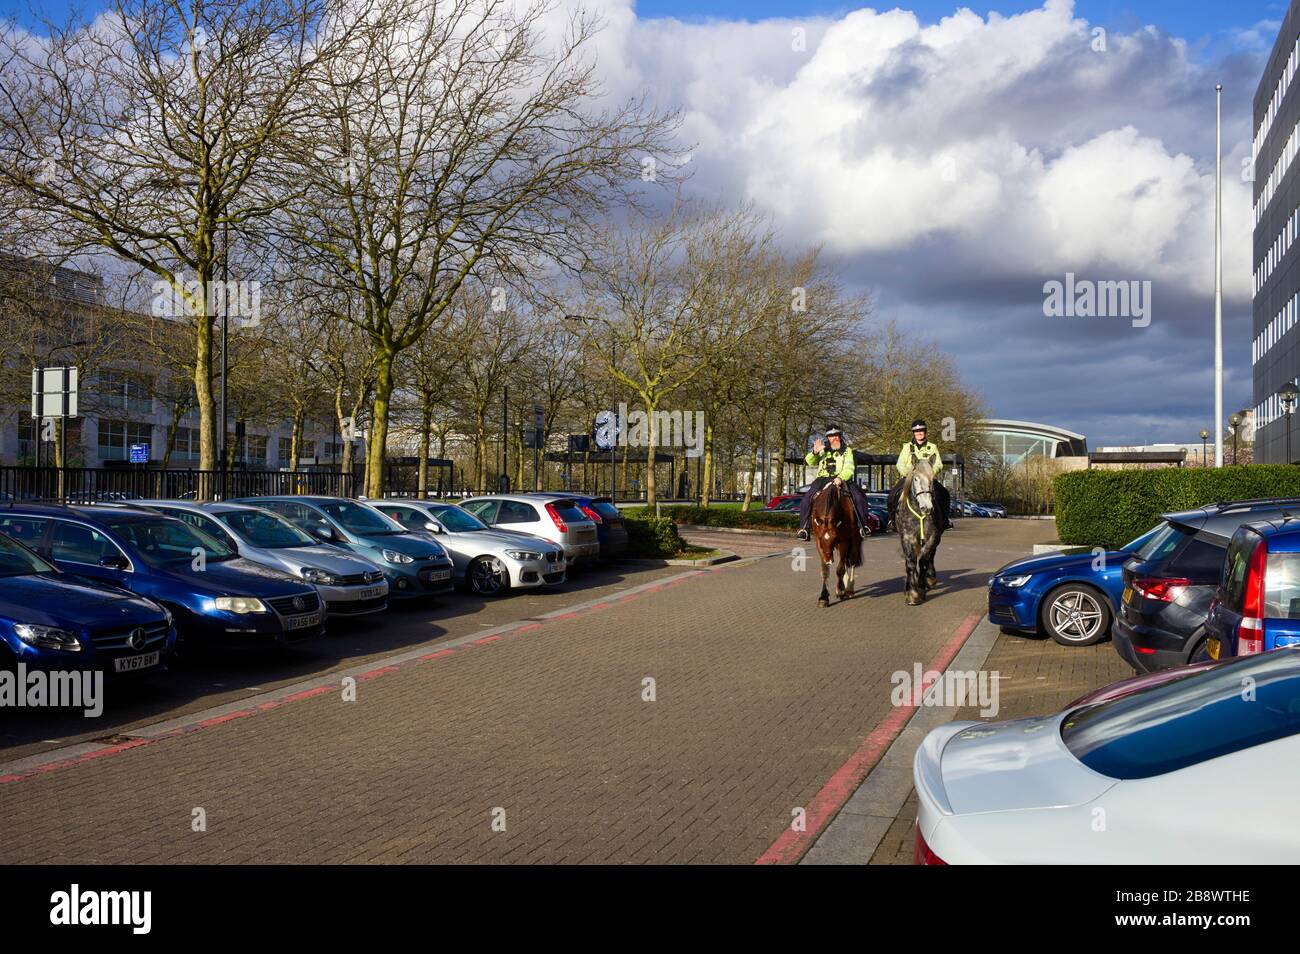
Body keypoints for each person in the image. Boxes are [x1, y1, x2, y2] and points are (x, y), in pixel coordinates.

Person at [797, 427, 872, 541]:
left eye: (837, 435)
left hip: (842, 479)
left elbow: (849, 468)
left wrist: (841, 478)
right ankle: (804, 529)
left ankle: (863, 526)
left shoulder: (847, 451)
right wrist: (814, 452)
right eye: (832, 436)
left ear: (840, 436)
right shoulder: (822, 449)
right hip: (823, 479)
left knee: (859, 497)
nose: (834, 438)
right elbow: (810, 462)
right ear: (828, 438)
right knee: (807, 499)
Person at [888, 419, 952, 530]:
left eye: (921, 430)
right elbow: (900, 464)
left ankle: (945, 519)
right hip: (910, 478)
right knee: (893, 494)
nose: (919, 433)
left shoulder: (932, 447)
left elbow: (938, 464)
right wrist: (909, 473)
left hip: (927, 478)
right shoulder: (907, 447)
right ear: (913, 433)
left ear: (925, 431)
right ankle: (892, 520)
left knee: (944, 493)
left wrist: (930, 472)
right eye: (916, 431)